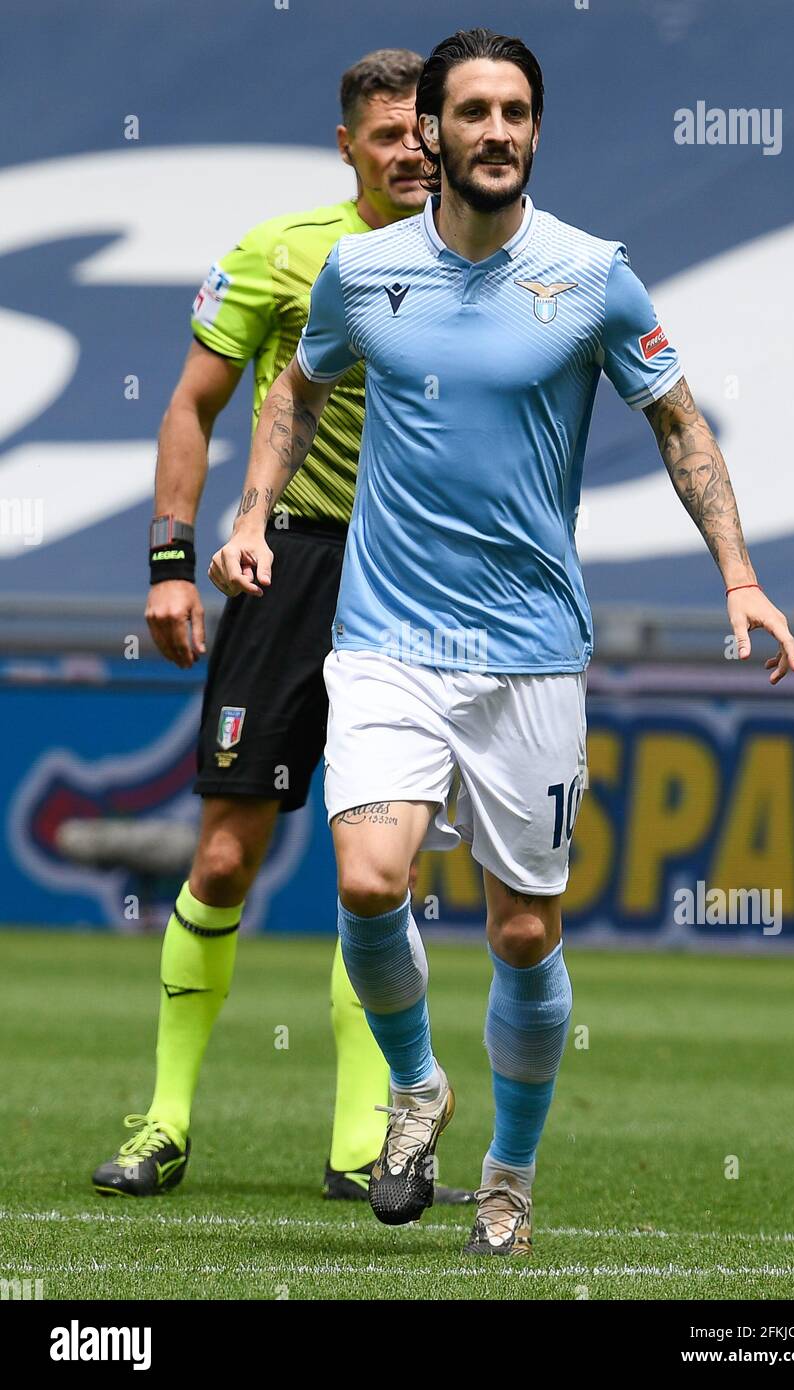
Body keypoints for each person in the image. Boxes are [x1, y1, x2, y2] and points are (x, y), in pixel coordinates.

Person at [209, 27, 794, 1256]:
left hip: (529, 650)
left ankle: (509, 1173)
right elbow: (296, 388)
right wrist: (253, 507)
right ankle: (415, 1082)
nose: (495, 132)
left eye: (514, 112)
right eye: (470, 112)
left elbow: (680, 426)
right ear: (427, 129)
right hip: (384, 634)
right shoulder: (362, 276)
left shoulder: (592, 276)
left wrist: (739, 578)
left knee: (523, 930)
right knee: (368, 880)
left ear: (535, 129)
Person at [92, 48, 469, 1207]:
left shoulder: (489, 258)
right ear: (347, 146)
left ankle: (363, 1143)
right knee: (221, 854)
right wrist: (169, 564)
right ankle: (162, 1123)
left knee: (385, 870)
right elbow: (192, 405)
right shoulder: (282, 251)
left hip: (418, 581)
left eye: (426, 133)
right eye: (389, 135)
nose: (414, 150)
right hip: (292, 561)